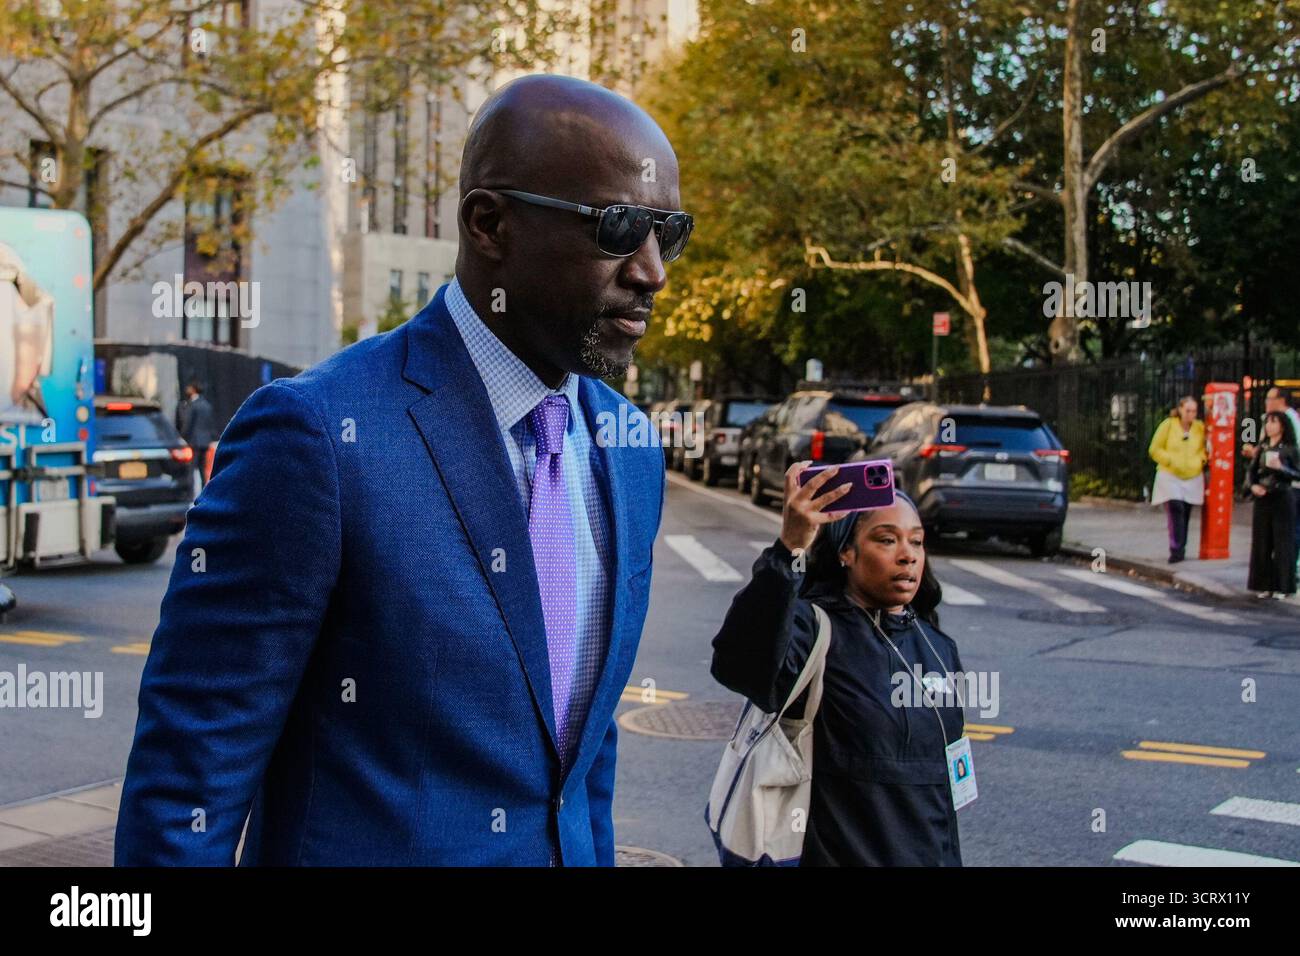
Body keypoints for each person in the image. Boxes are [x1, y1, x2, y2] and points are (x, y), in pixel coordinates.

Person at [114, 73, 688, 866]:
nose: (653, 270)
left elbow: (580, 754)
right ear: (490, 224)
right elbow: (191, 778)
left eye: (669, 232)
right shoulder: (315, 436)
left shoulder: (630, 451)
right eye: (621, 228)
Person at [711, 463, 966, 866]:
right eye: (887, 540)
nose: (907, 556)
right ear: (847, 551)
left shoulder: (937, 647)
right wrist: (789, 548)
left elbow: (946, 793)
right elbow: (738, 664)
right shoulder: (816, 633)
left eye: (916, 542)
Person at [1246, 410, 1300, 600]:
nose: (1269, 426)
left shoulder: (1290, 449)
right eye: (1267, 422)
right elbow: (1251, 472)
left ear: (1282, 426)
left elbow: (1296, 474)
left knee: (1282, 543)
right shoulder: (1262, 447)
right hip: (1263, 498)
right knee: (1262, 542)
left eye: (1274, 422)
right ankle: (1264, 584)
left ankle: (1283, 585)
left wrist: (1281, 468)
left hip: (1282, 498)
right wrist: (1252, 486)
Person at [1148, 396, 1206, 563]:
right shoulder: (1168, 425)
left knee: (1186, 512)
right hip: (1170, 474)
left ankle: (1182, 546)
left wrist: (1200, 460)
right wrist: (1169, 460)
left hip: (1191, 475)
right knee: (1176, 508)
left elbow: (1205, 449)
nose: (1191, 414)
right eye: (1188, 410)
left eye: (1194, 411)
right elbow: (1155, 448)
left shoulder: (1199, 428)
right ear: (1180, 410)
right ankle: (1176, 549)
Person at [177, 381, 216, 487]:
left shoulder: (193, 406)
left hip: (194, 441)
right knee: (202, 468)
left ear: (193, 389)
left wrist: (182, 437)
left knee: (190, 468)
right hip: (205, 441)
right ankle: (204, 490)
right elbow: (210, 423)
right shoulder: (207, 405)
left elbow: (188, 423)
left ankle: (190, 491)